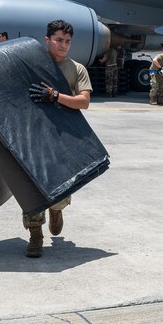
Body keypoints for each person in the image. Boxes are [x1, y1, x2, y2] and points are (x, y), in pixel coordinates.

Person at [21, 19, 93, 258]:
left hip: (62, 136)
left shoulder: (76, 69)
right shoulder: (32, 64)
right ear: (47, 40)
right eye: (58, 40)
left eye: (67, 41)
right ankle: (35, 235)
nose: (63, 45)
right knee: (30, 186)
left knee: (60, 186)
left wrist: (55, 95)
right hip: (33, 135)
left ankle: (57, 209)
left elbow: (83, 101)